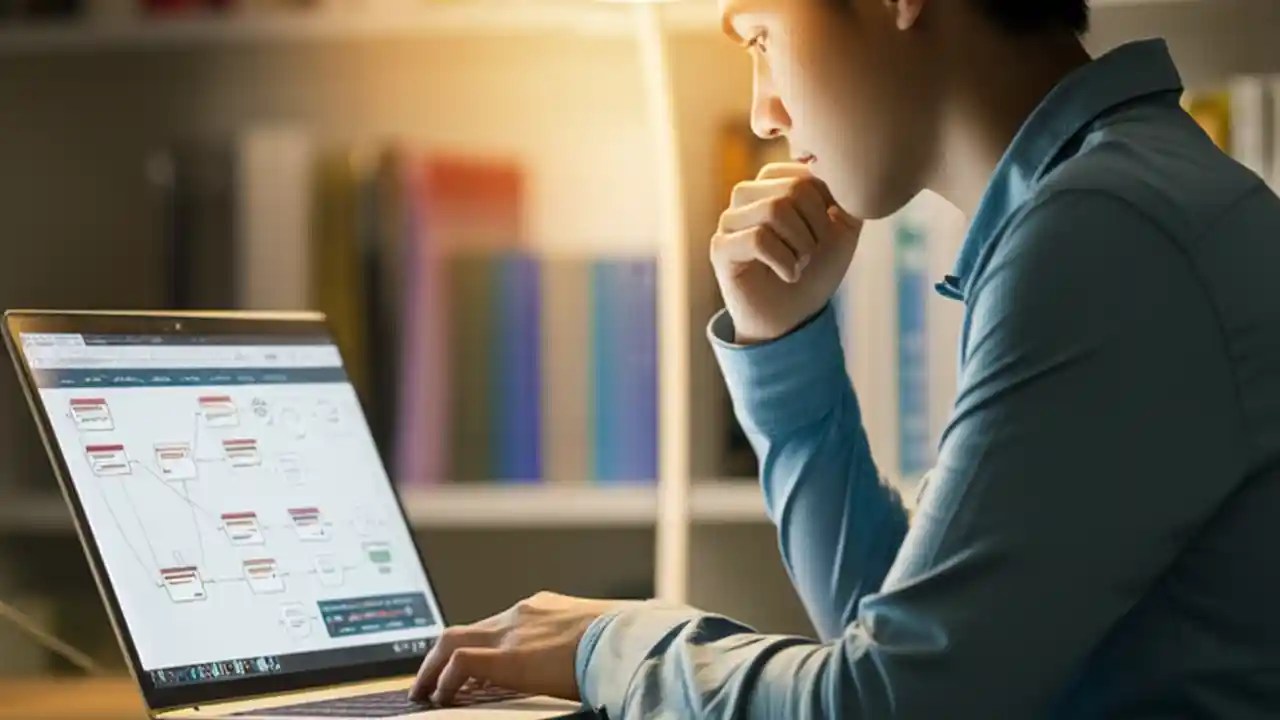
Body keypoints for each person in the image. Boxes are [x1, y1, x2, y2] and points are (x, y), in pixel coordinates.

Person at [410, 0, 1280, 716]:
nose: (763, 110)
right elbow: (913, 639)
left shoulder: (1103, 235)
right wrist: (783, 349)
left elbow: (889, 703)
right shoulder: (1112, 202)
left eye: (760, 39)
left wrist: (608, 645)